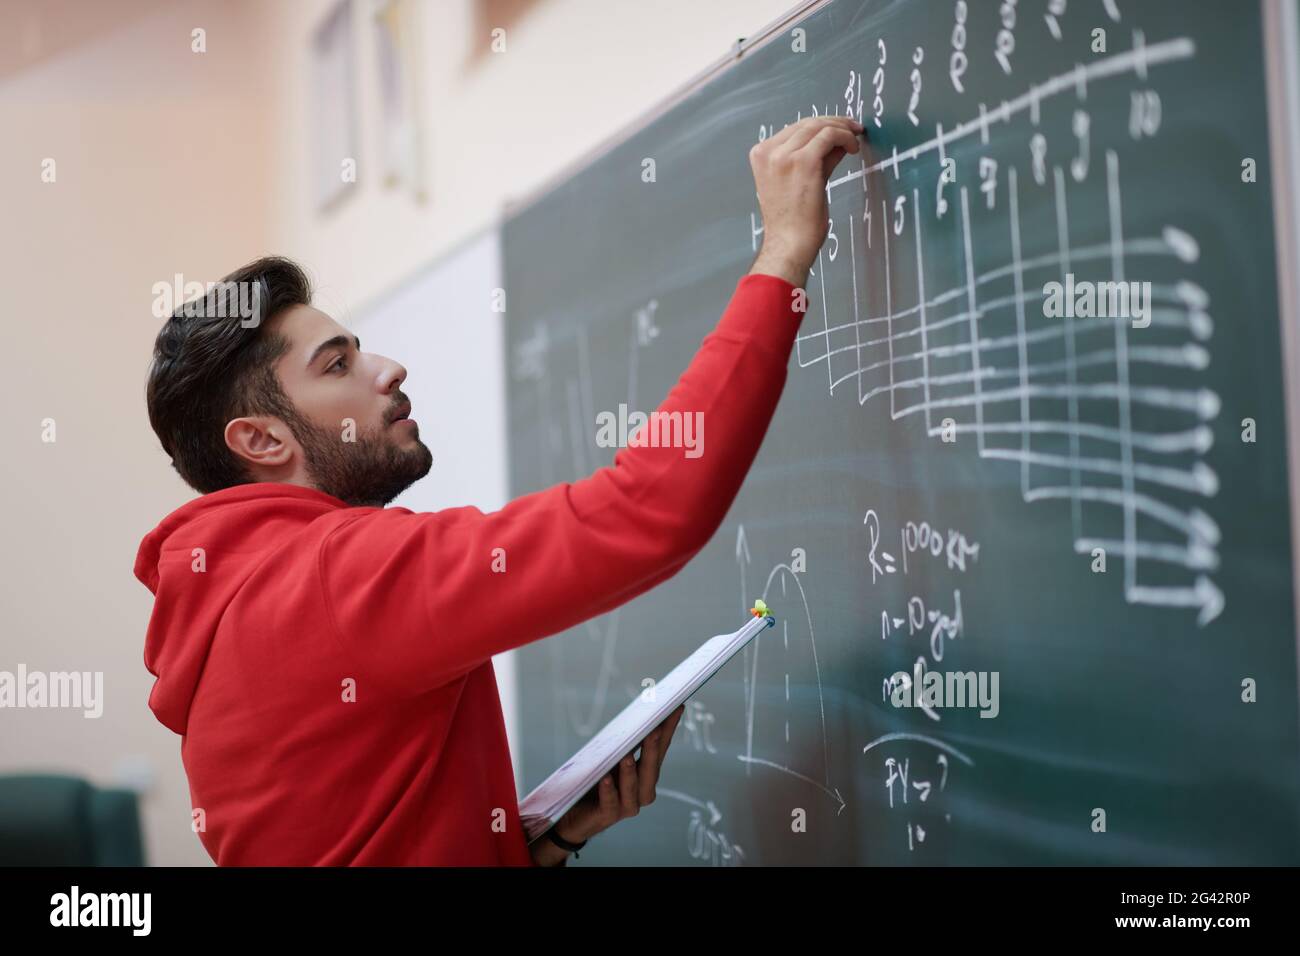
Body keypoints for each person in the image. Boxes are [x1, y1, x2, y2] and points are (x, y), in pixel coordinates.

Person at [134, 114, 865, 865]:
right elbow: (648, 512)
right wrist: (783, 255)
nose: (388, 370)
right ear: (262, 439)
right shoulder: (334, 575)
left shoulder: (223, 604)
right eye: (336, 365)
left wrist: (541, 841)